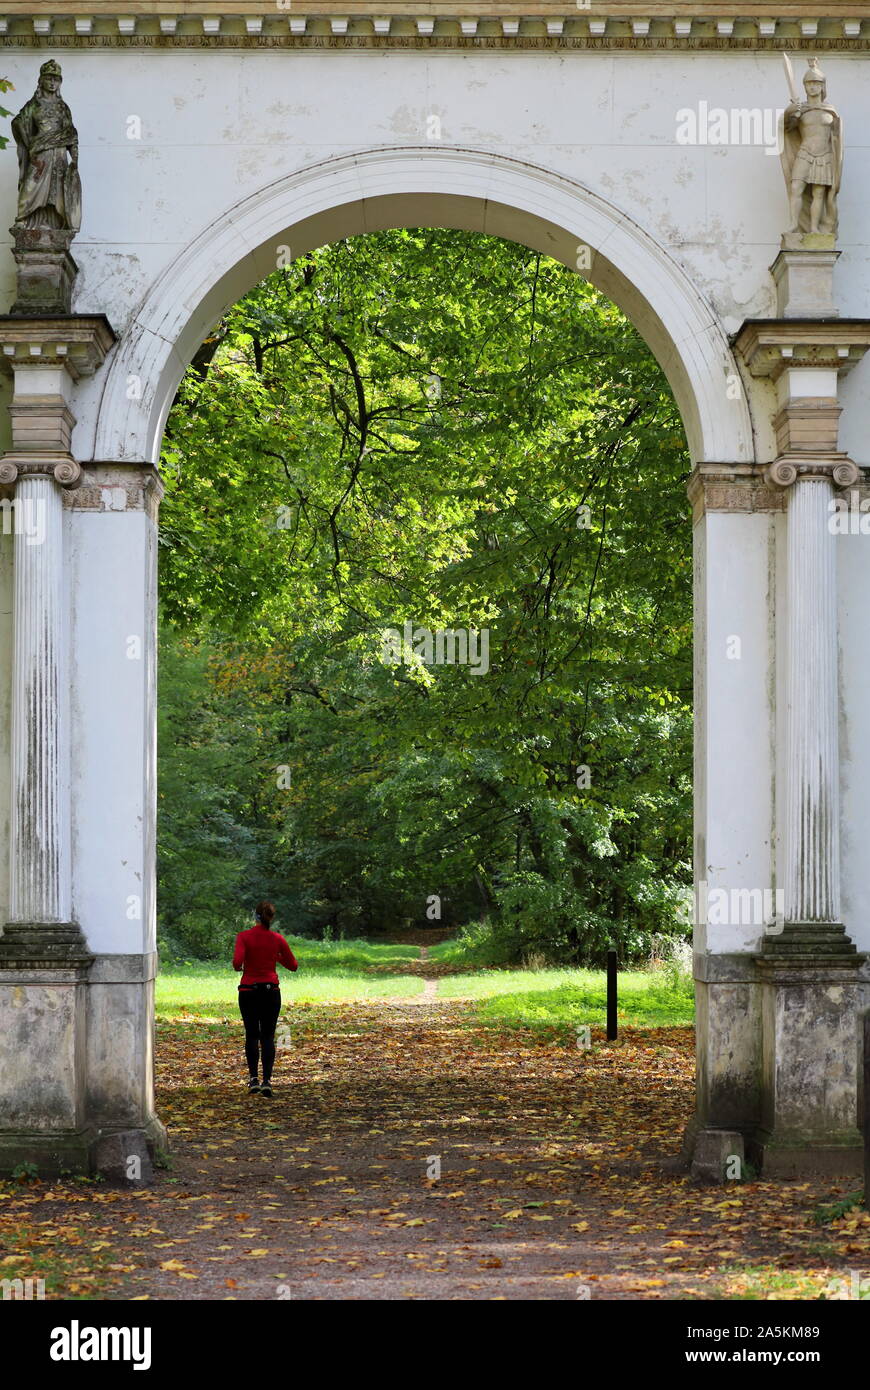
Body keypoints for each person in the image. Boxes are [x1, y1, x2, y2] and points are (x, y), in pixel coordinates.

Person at [233, 901, 298, 1096]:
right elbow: (293, 965)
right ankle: (267, 1081)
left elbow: (237, 962)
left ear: (255, 916)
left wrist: (241, 967)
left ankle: (253, 1079)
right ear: (271, 917)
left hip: (248, 991)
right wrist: (275, 957)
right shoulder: (277, 939)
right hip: (271, 992)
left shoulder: (244, 937)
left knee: (252, 1034)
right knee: (268, 1036)